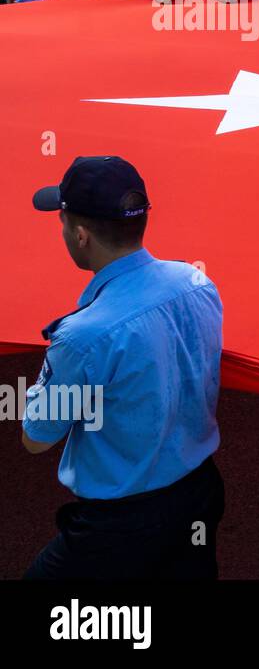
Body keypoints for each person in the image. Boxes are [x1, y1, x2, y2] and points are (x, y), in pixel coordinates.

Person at [24, 156, 225, 578]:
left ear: (80, 236)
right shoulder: (197, 283)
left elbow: (37, 438)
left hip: (121, 526)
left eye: (62, 221)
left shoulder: (82, 338)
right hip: (200, 493)